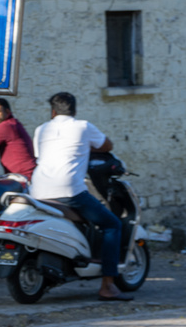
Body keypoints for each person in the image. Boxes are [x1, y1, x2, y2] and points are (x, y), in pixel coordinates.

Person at [28, 92, 129, 301]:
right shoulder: (83, 127)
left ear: (53, 111)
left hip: (37, 190)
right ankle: (108, 285)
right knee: (112, 224)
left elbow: (40, 155)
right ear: (74, 110)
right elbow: (107, 145)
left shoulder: (41, 129)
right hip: (69, 191)